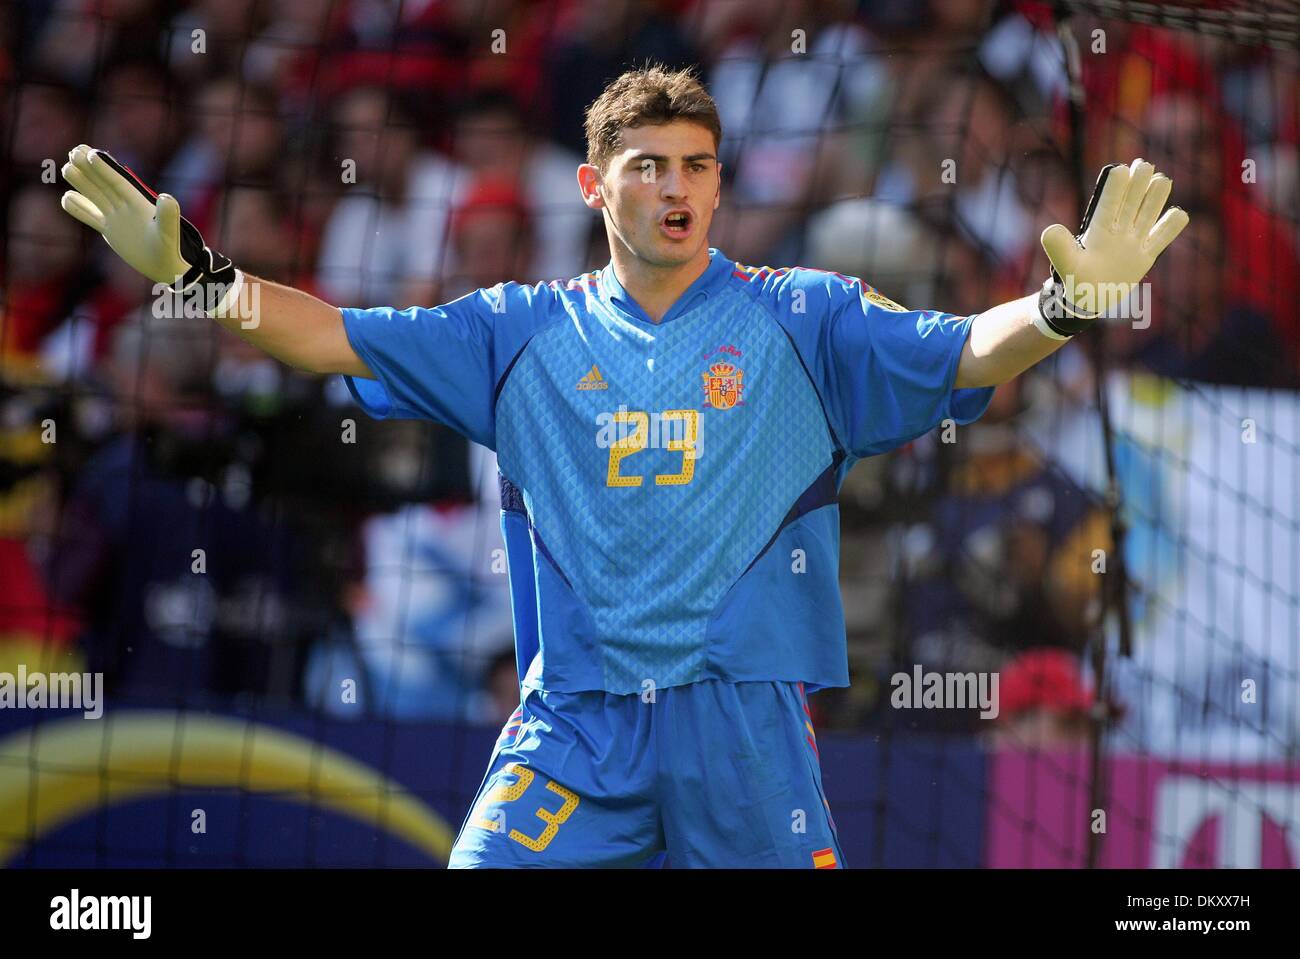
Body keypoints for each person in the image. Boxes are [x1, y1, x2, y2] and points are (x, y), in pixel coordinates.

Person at [56, 64, 1189, 868]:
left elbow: (964, 351)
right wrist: (207, 281)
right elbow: (330, 334)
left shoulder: (802, 318)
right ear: (597, 187)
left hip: (743, 730)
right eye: (649, 165)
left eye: (697, 163)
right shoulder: (514, 331)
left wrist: (1062, 303)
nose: (678, 185)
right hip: (575, 723)